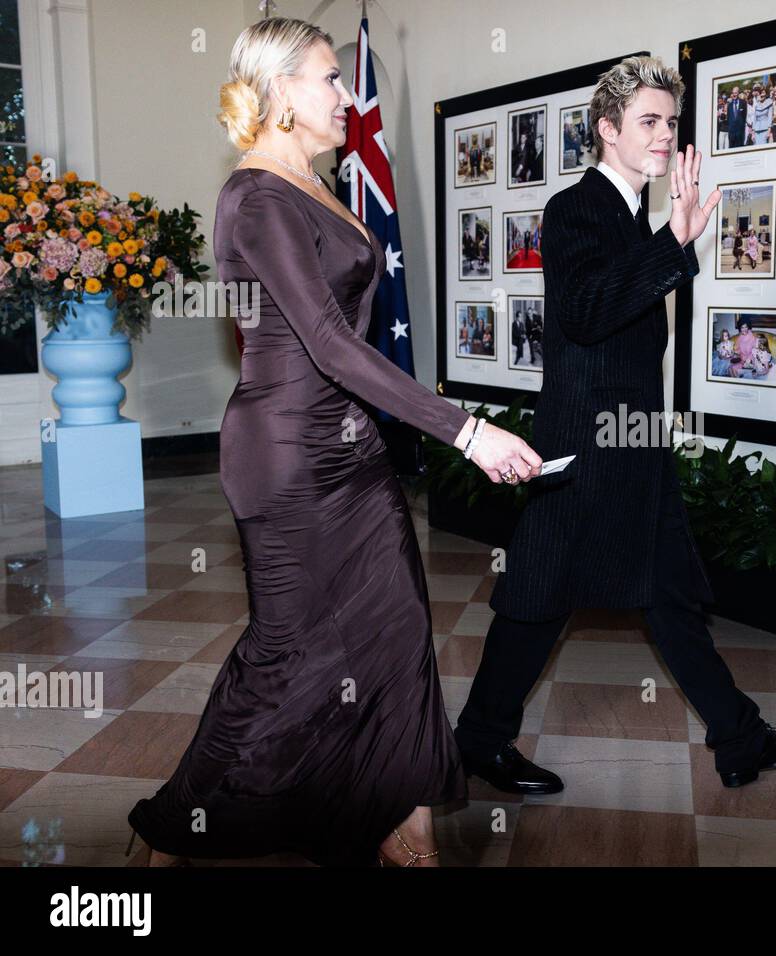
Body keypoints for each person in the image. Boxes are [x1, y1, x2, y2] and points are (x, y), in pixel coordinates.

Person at [125, 18, 542, 868]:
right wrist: (462, 428)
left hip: (348, 447)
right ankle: (176, 829)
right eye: (328, 78)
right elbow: (328, 340)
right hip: (287, 455)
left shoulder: (313, 183)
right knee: (287, 656)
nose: (346, 94)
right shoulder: (256, 196)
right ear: (280, 92)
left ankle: (405, 828)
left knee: (394, 631)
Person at [455, 55, 776, 795]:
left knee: (669, 594)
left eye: (672, 123)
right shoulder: (576, 209)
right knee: (538, 592)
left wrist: (669, 237)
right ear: (608, 130)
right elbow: (588, 314)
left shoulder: (634, 214)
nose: (666, 136)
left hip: (634, 439)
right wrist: (675, 241)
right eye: (650, 122)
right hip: (585, 441)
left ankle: (739, 738)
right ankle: (480, 740)